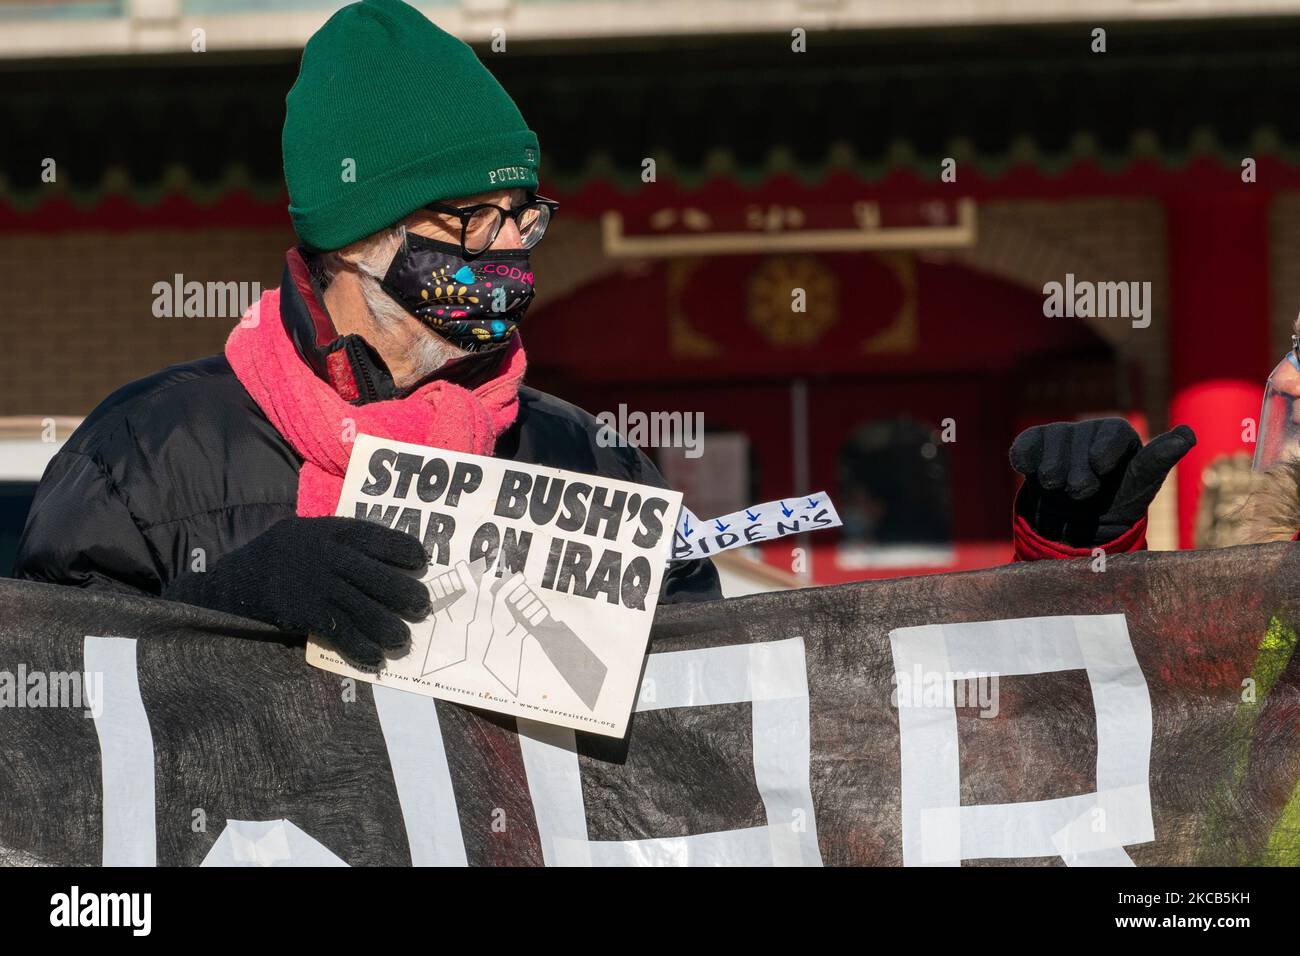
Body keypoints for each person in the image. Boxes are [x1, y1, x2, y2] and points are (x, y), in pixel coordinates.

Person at [14, 0, 720, 666]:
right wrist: (220, 610)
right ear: (355, 239)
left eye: (521, 212)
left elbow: (689, 704)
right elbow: (57, 717)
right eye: (471, 218)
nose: (509, 246)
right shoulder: (144, 455)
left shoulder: (588, 458)